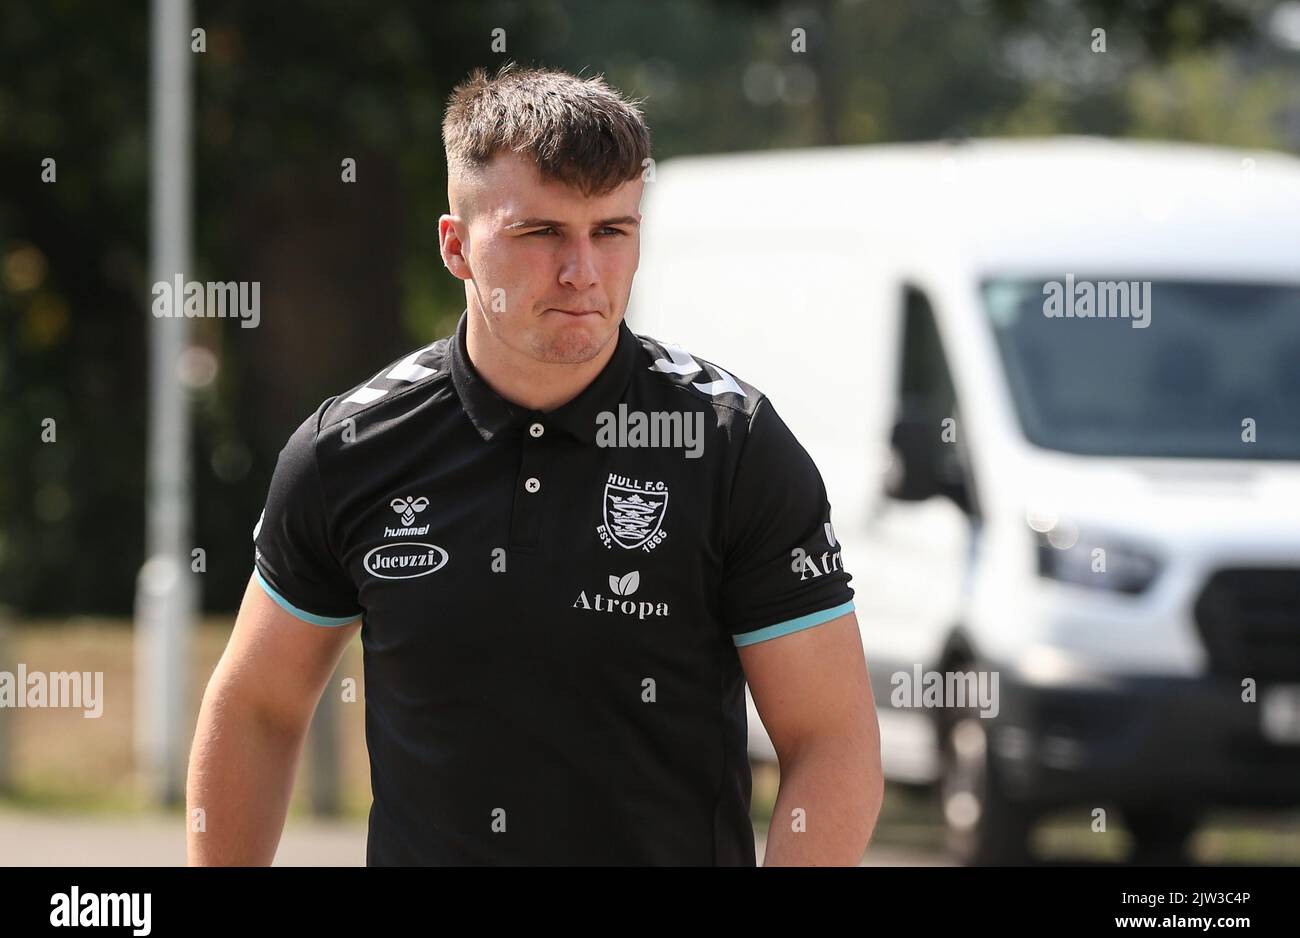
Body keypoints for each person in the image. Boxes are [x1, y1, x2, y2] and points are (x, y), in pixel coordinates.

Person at [187, 61, 883, 866]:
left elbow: (831, 740)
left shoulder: (733, 444)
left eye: (612, 231)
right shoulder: (348, 451)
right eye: (541, 232)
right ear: (457, 247)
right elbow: (258, 710)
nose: (582, 271)